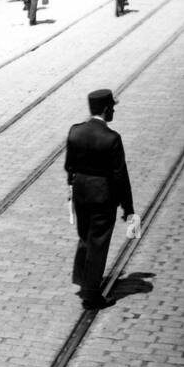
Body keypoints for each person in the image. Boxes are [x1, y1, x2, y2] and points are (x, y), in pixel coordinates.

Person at [64, 89, 137, 311]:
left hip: (81, 193)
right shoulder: (112, 138)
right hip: (103, 198)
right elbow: (120, 175)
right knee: (98, 244)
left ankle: (83, 279)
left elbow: (70, 166)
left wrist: (73, 189)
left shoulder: (75, 131)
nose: (113, 110)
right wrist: (128, 207)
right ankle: (91, 295)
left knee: (85, 237)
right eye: (112, 107)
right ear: (106, 109)